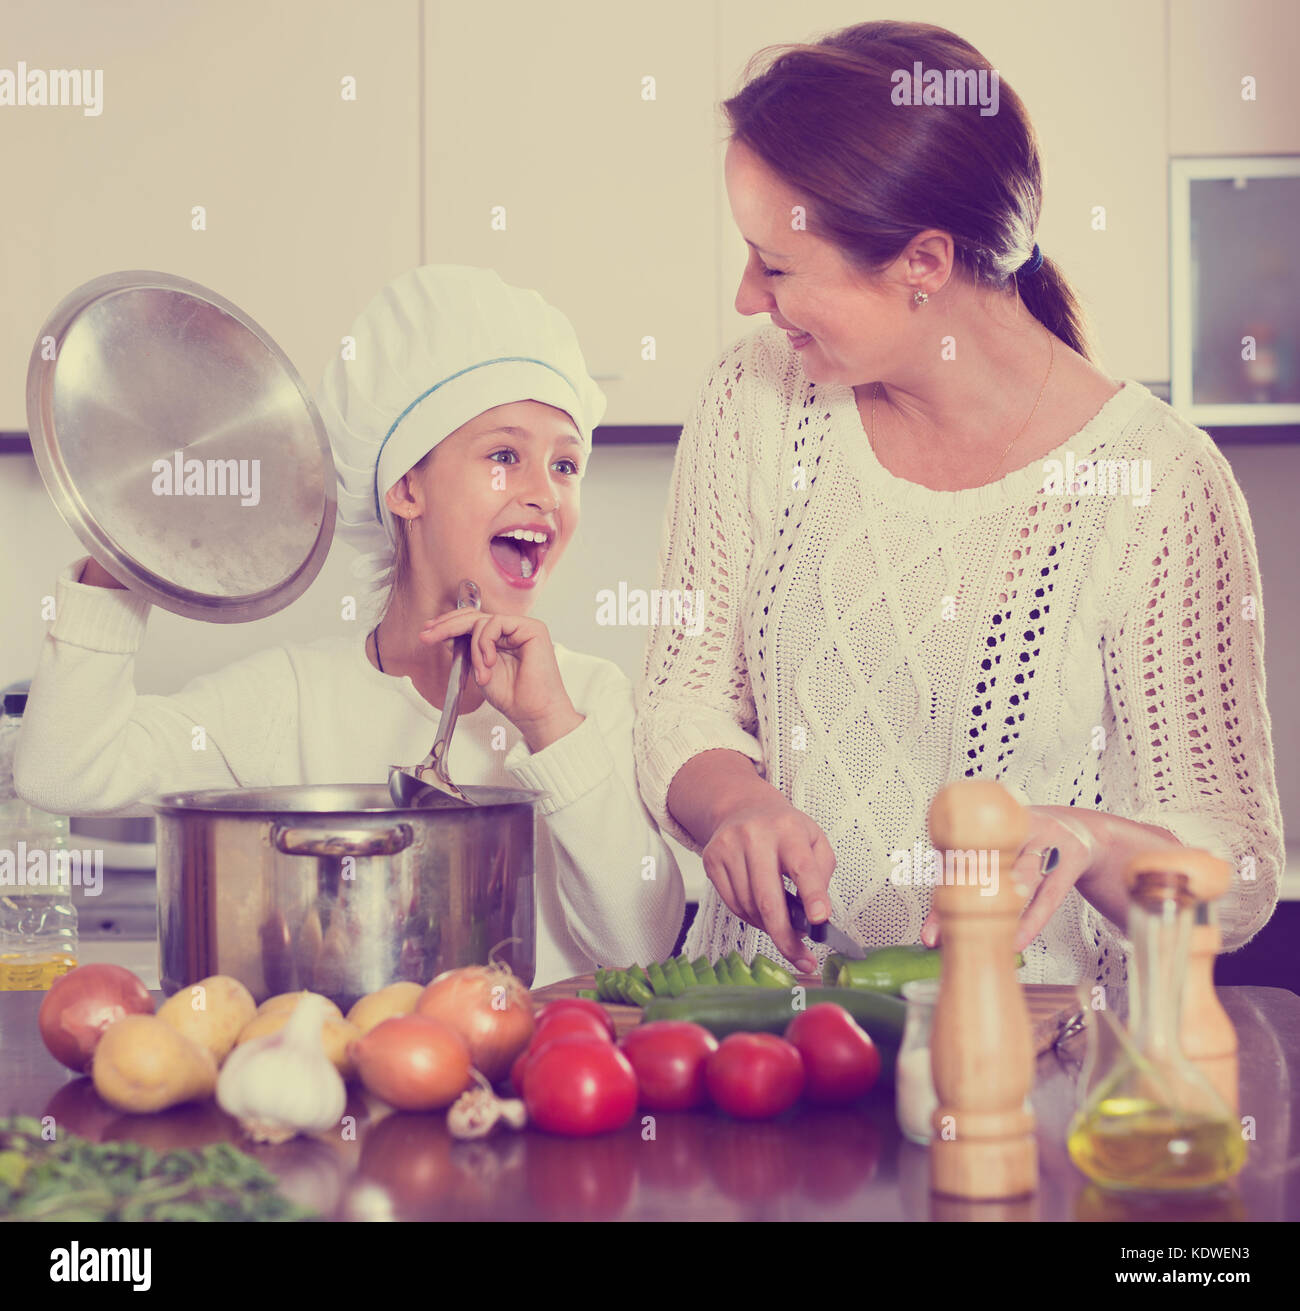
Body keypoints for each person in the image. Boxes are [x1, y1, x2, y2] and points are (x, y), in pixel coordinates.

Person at [632, 20, 1283, 985]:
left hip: (1031, 1058)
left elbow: (1237, 873)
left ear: (923, 265)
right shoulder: (757, 400)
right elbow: (681, 699)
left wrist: (1086, 841)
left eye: (776, 265)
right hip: (769, 1037)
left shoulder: (1157, 482)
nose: (746, 296)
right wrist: (737, 804)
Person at [15, 264, 683, 988]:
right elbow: (63, 770)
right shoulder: (289, 699)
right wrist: (127, 545)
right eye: (504, 455)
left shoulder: (589, 700)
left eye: (565, 463)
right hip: (343, 1086)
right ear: (405, 485)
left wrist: (552, 728)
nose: (545, 493)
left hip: (543, 1092)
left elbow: (642, 944)